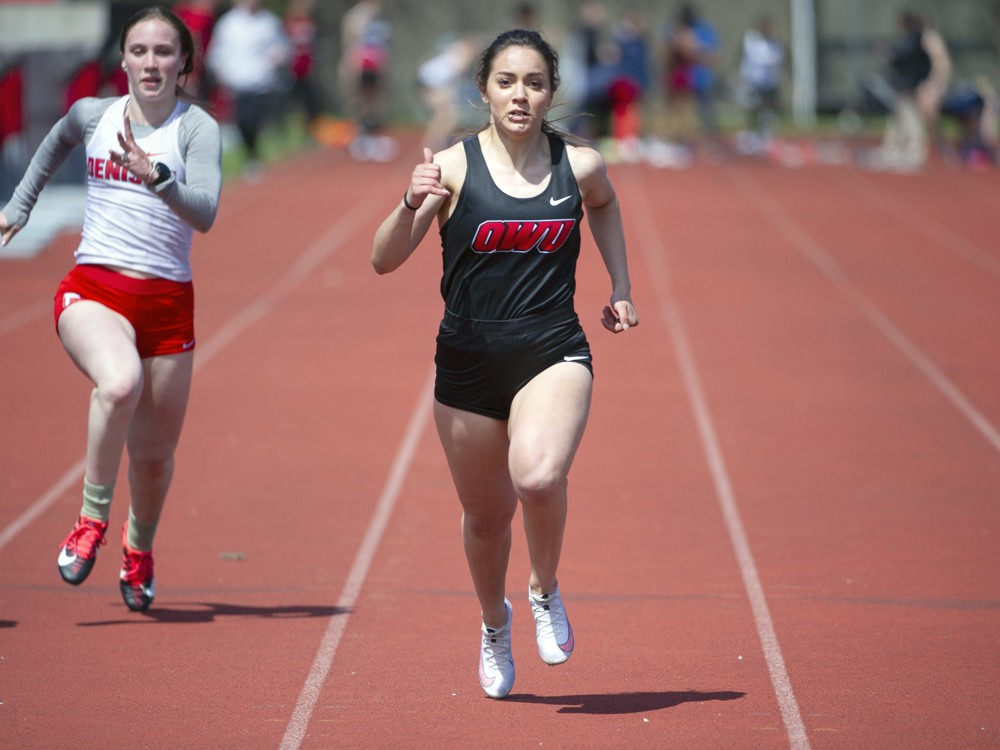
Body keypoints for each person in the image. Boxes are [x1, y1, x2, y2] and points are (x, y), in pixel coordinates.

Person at [372, 28, 638, 699]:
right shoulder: (455, 169)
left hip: (553, 348)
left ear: (552, 92)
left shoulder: (579, 166)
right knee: (487, 519)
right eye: (507, 82)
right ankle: (495, 622)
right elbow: (382, 259)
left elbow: (604, 208)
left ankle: (545, 588)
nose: (521, 95)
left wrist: (621, 287)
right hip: (466, 365)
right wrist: (410, 200)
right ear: (485, 91)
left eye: (535, 83)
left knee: (540, 477)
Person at [0, 6, 222, 612]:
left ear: (183, 65)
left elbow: (205, 211)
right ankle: (90, 521)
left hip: (169, 304)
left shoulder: (195, 129)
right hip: (94, 289)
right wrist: (19, 204)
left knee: (152, 459)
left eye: (164, 52)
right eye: (140, 51)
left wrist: (156, 177)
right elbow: (53, 144)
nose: (152, 63)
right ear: (122, 60)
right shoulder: (93, 115)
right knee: (118, 383)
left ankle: (138, 548)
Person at [206, 0, 290, 179]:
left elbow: (284, 47)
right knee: (243, 121)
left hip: (262, 81)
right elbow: (217, 52)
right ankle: (252, 154)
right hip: (238, 82)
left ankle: (255, 152)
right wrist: (220, 71)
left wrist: (279, 57)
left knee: (257, 119)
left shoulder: (269, 22)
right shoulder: (228, 24)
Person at [872, 10, 951, 171]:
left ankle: (914, 153)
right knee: (900, 115)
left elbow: (941, 62)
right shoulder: (913, 37)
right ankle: (894, 150)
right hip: (908, 83)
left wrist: (935, 84)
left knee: (913, 117)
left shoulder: (928, 36)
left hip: (922, 84)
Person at [735, 13, 784, 154]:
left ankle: (766, 137)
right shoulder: (752, 41)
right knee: (753, 110)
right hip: (755, 82)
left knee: (769, 110)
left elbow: (776, 59)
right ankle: (753, 137)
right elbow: (755, 59)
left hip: (770, 83)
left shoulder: (775, 44)